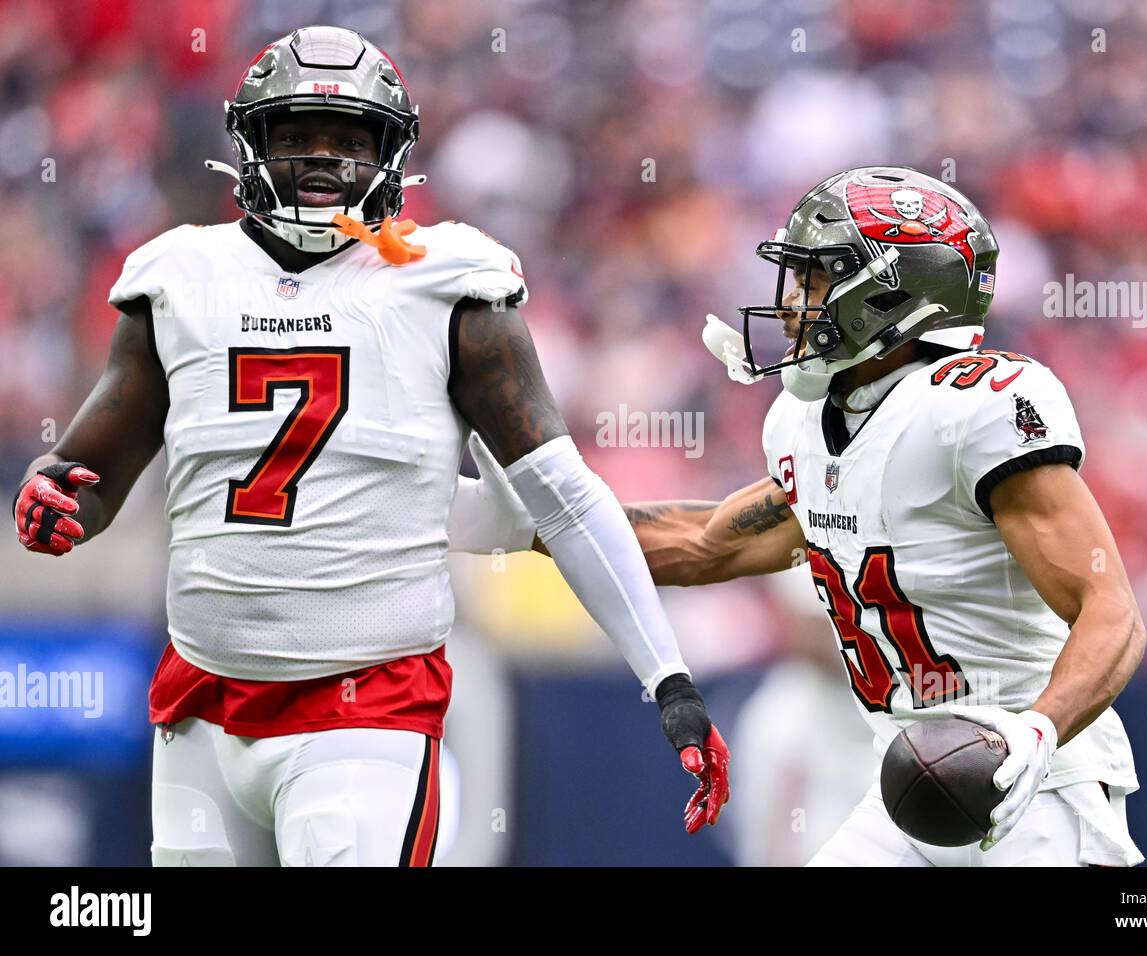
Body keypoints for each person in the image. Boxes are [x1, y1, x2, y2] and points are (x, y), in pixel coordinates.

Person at [11, 25, 728, 866]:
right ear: (251, 144)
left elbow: (562, 496)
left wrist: (668, 680)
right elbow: (95, 474)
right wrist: (55, 498)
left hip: (365, 710)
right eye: (297, 137)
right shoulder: (179, 277)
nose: (322, 160)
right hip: (202, 706)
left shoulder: (449, 282)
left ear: (390, 152)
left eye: (349, 140)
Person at [470, 167, 1147, 866]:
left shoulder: (974, 410)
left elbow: (1111, 611)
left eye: (815, 278)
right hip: (904, 788)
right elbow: (703, 545)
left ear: (888, 295)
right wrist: (526, 524)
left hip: (1034, 786)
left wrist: (1038, 731)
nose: (792, 304)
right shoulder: (808, 425)